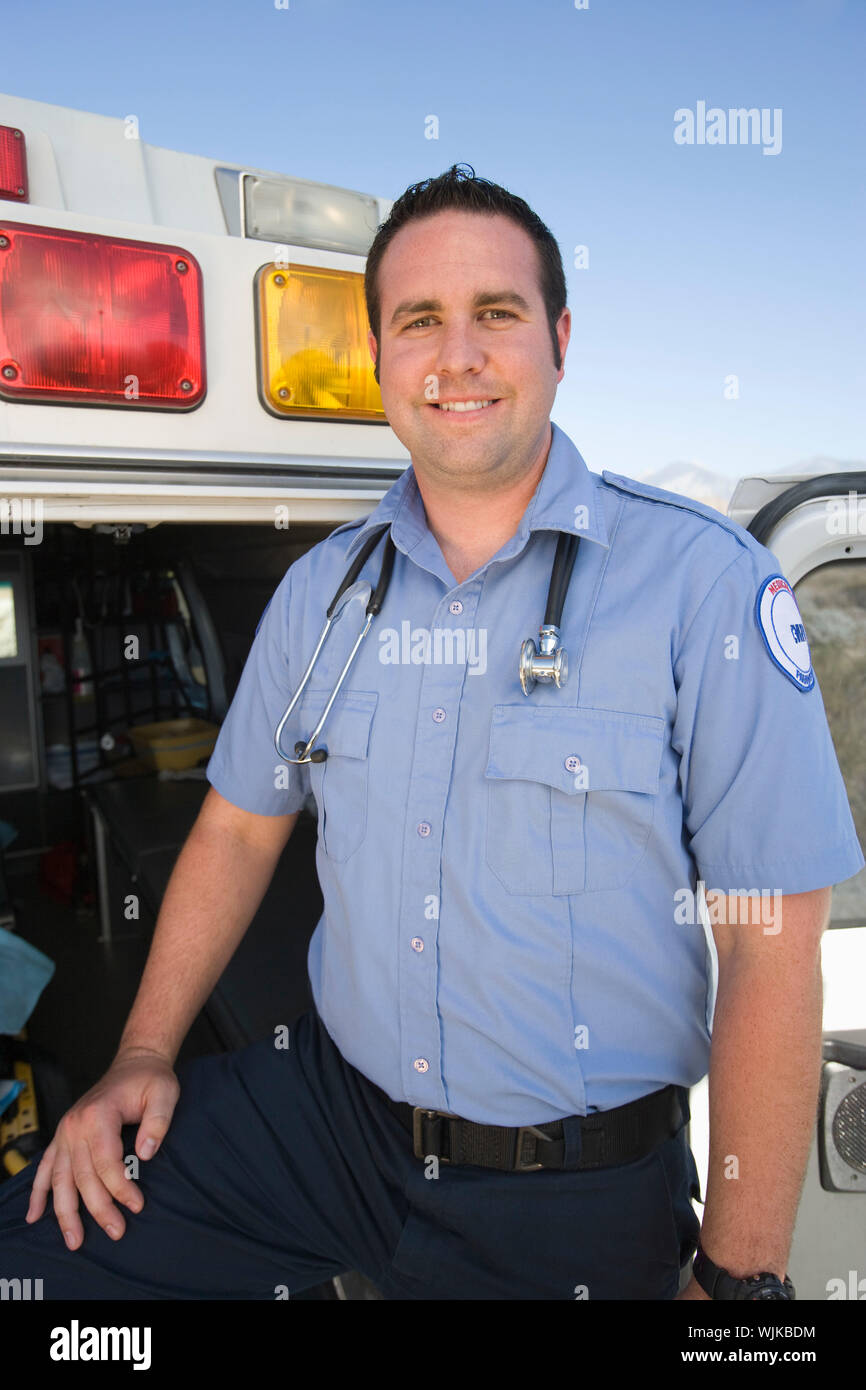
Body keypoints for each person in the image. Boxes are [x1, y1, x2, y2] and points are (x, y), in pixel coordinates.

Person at [1, 164, 862, 1301]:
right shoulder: (321, 592)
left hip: (570, 1192)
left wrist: (739, 1284)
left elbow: (768, 941)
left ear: (558, 338)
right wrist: (146, 1051)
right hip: (325, 1121)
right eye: (418, 321)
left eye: (494, 314)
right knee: (39, 1259)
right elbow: (237, 829)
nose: (455, 355)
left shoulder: (703, 584)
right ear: (379, 362)